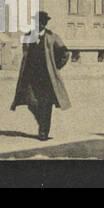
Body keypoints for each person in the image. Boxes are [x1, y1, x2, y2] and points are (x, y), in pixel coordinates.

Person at [10, 10, 70, 141]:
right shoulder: (28, 36)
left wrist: (56, 66)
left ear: (45, 24)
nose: (40, 25)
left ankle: (43, 131)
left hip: (47, 78)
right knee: (31, 103)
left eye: (42, 23)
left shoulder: (52, 37)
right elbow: (25, 54)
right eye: (38, 22)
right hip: (31, 77)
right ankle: (42, 123)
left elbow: (65, 53)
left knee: (46, 104)